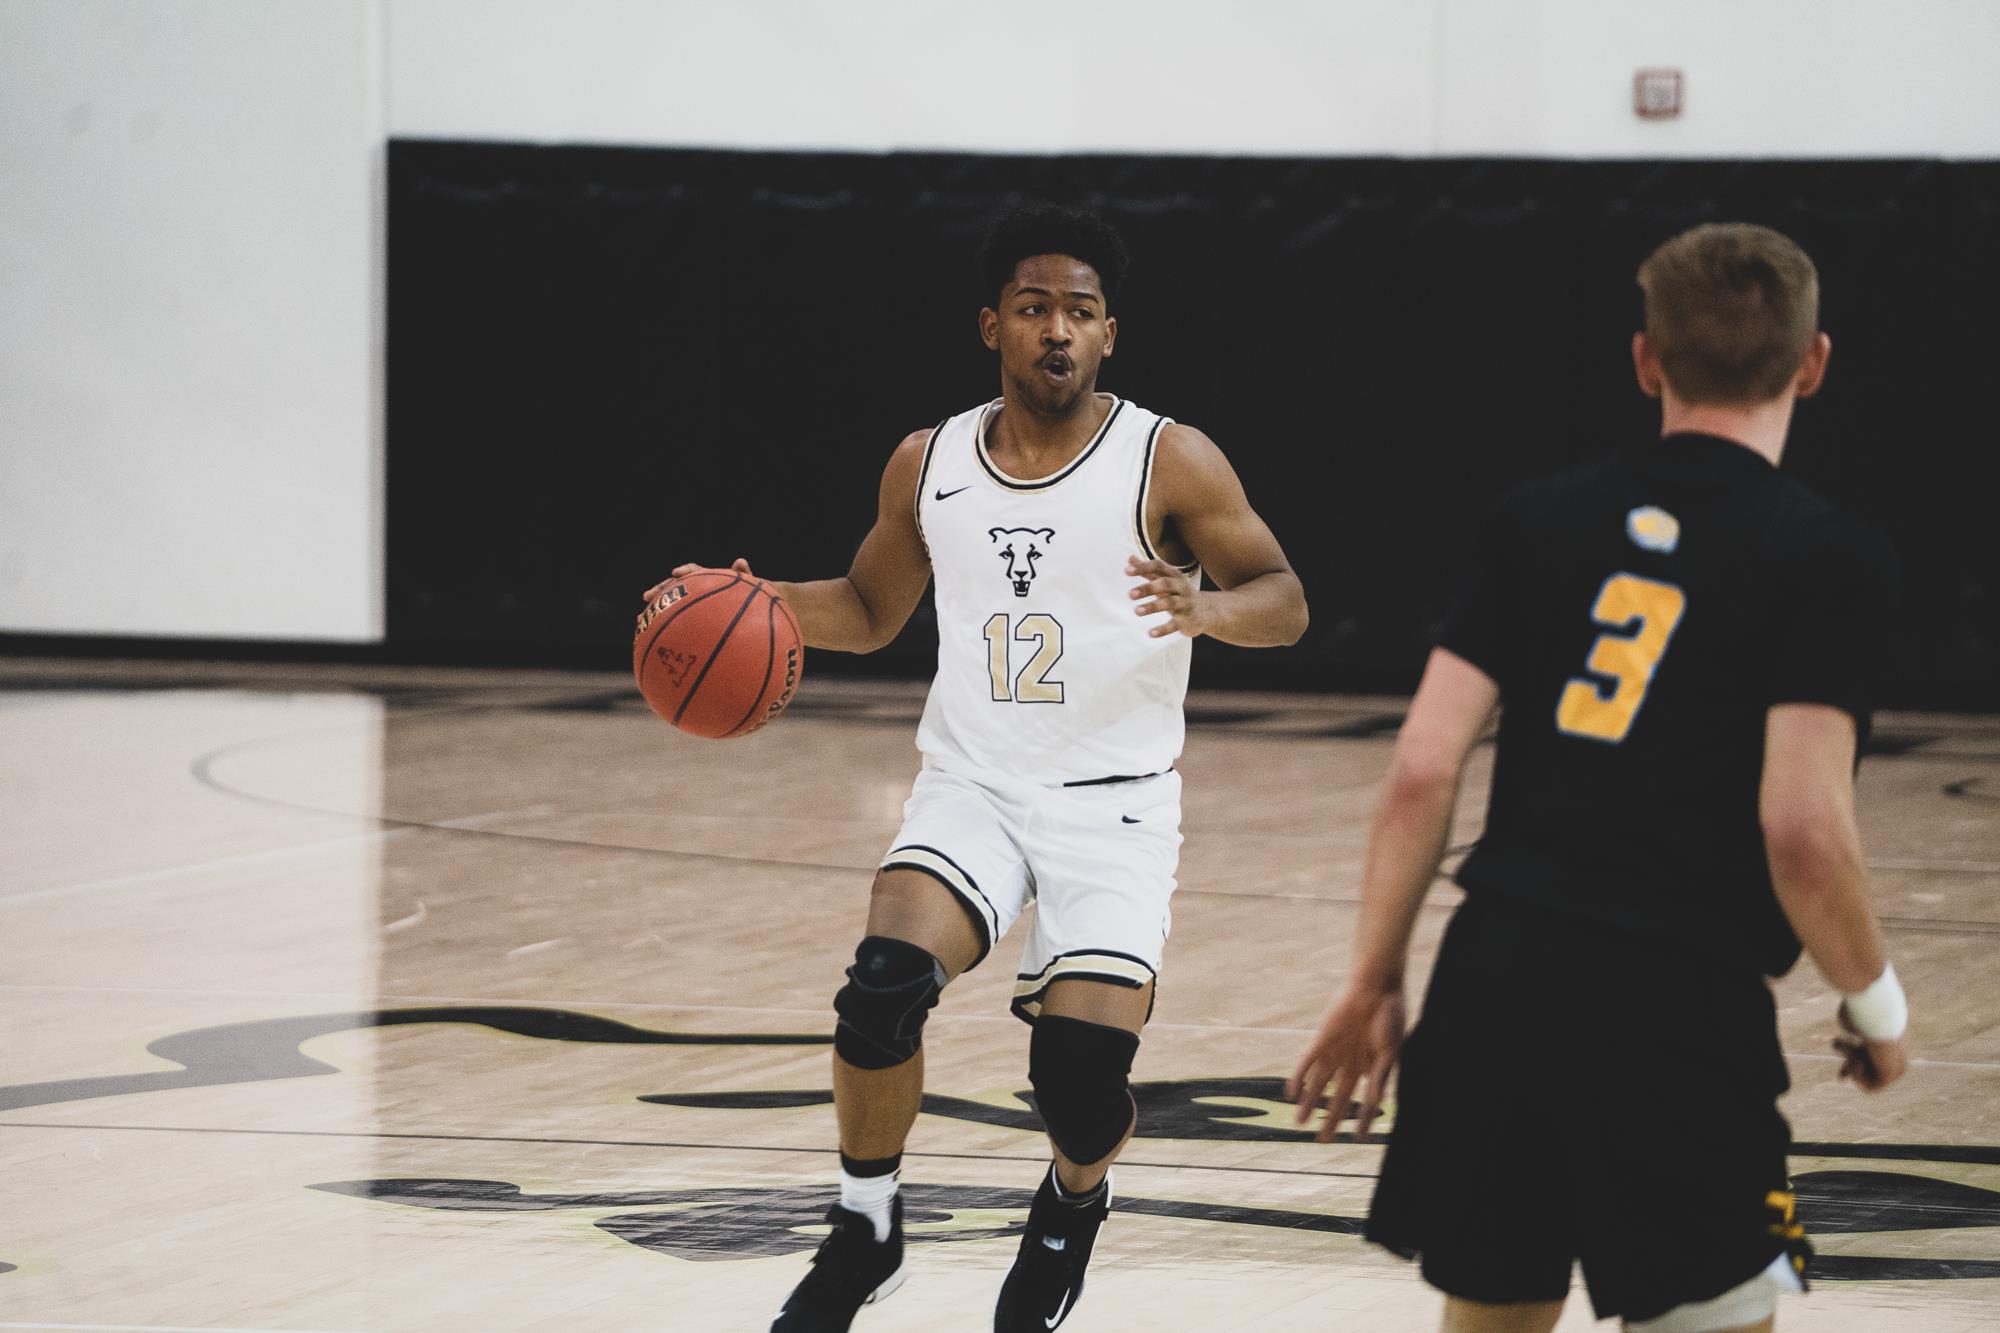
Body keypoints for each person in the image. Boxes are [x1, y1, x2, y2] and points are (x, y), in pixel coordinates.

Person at [647, 203, 1308, 1332]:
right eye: (1035, 307)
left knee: (1078, 1083)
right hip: (975, 786)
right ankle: (865, 1227)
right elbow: (865, 608)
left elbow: (1285, 602)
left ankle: (1071, 1201)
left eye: (1081, 312)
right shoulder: (929, 461)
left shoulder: (1168, 458)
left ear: (1110, 336)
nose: (1058, 329)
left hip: (1116, 807)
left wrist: (1206, 607)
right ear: (991, 324)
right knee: (879, 995)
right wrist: (751, 600)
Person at [1288, 222, 1909, 1333]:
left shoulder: (1534, 518)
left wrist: (1375, 978)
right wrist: (1872, 1001)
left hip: (1496, 985)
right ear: (1811, 364)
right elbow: (1803, 831)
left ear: (1645, 360)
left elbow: (1420, 769)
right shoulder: (1827, 557)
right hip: (1680, 1010)